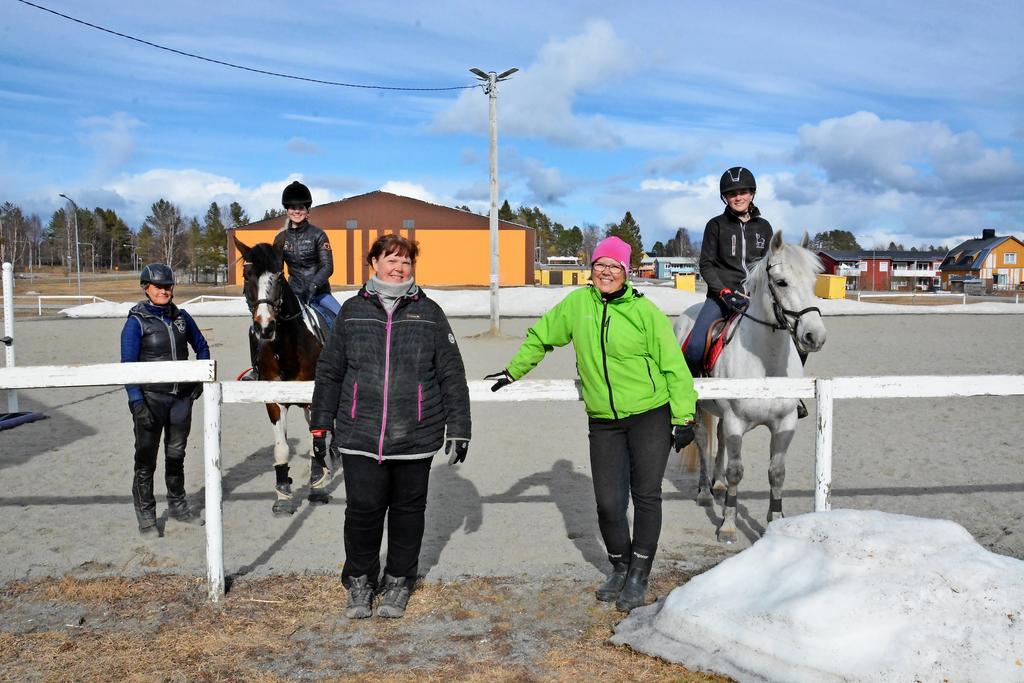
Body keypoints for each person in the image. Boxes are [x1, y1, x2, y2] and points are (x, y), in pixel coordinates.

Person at [485, 236, 697, 613]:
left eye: (615, 266)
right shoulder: (577, 305)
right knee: (608, 504)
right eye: (601, 264)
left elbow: (673, 367)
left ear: (626, 272)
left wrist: (684, 416)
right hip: (604, 421)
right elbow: (542, 336)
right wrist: (513, 371)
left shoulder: (645, 312)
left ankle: (639, 575)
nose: (606, 271)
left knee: (646, 496)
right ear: (592, 267)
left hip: (649, 414)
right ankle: (619, 566)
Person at [309, 234, 471, 620]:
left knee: (408, 512)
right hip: (360, 432)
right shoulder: (351, 311)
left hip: (415, 432)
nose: (399, 268)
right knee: (363, 510)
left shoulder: (429, 312)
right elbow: (330, 371)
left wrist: (459, 426)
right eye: (391, 260)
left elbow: (451, 372)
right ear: (374, 264)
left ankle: (400, 579)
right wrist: (320, 424)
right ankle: (361, 580)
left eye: (406, 262)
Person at [685, 167, 807, 417]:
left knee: (798, 338)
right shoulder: (715, 225)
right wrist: (724, 291)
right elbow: (706, 264)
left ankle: (793, 394)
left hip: (755, 297)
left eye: (743, 192)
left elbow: (770, 264)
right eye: (732, 194)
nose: (738, 197)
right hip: (721, 298)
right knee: (695, 345)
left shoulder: (764, 227)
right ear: (725, 198)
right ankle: (688, 400)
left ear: (752, 194)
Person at [121, 263, 210, 535]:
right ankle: (146, 516)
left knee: (176, 455)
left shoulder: (182, 317)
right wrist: (136, 401)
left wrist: (199, 380)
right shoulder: (136, 322)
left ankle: (178, 505)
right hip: (151, 399)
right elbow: (127, 364)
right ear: (146, 288)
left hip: (181, 400)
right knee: (146, 459)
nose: (164, 291)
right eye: (158, 286)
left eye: (168, 286)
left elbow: (202, 347)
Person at [242, 180, 339, 380]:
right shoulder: (281, 238)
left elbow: (327, 266)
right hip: (293, 294)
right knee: (256, 328)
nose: (297, 211)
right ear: (287, 210)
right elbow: (273, 268)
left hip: (319, 293)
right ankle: (257, 369)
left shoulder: (318, 235)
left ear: (307, 210)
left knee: (342, 319)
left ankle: (343, 366)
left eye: (301, 208)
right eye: (293, 208)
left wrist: (313, 285)